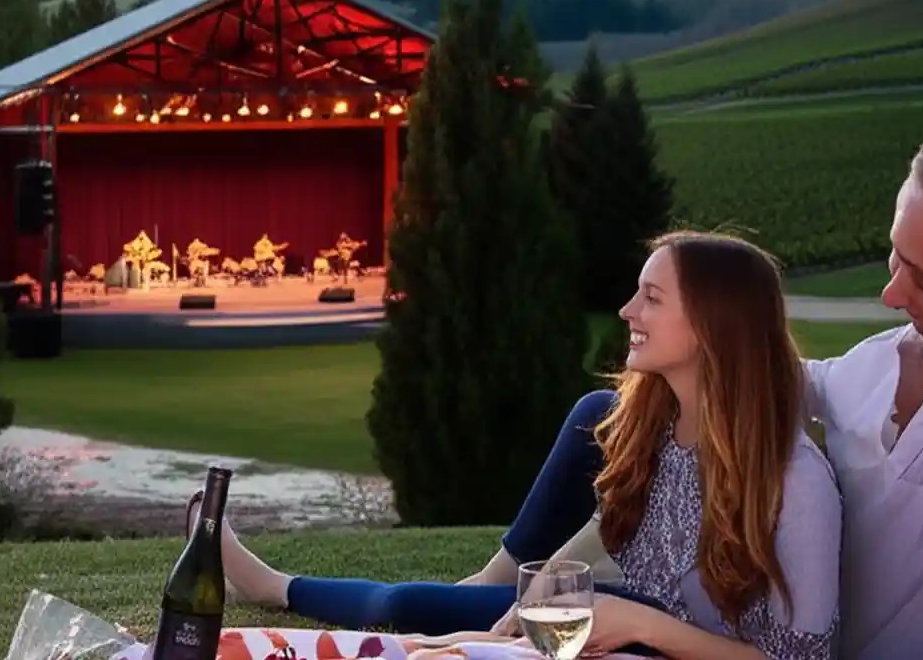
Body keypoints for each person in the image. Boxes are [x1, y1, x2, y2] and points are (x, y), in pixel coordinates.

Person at [186, 230, 843, 659]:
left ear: (709, 325)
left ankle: (279, 586)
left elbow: (804, 659)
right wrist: (523, 610)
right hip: (616, 630)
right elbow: (618, 548)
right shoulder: (654, 427)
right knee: (422, 627)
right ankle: (280, 588)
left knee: (419, 618)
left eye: (650, 297)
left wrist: (636, 625)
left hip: (648, 640)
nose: (625, 312)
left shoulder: (796, 483)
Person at [801, 129, 923, 660]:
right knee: (602, 408)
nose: (891, 294)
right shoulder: (880, 358)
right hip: (808, 642)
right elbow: (802, 383)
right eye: (895, 256)